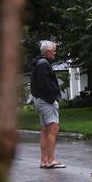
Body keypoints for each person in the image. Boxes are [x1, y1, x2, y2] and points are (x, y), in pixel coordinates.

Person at [31, 40, 65, 168]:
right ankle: (51, 160)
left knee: (45, 131)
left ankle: (44, 161)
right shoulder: (44, 64)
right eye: (54, 50)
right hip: (46, 101)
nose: (55, 53)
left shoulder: (38, 63)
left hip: (40, 100)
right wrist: (52, 99)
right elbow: (44, 84)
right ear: (47, 52)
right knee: (53, 129)